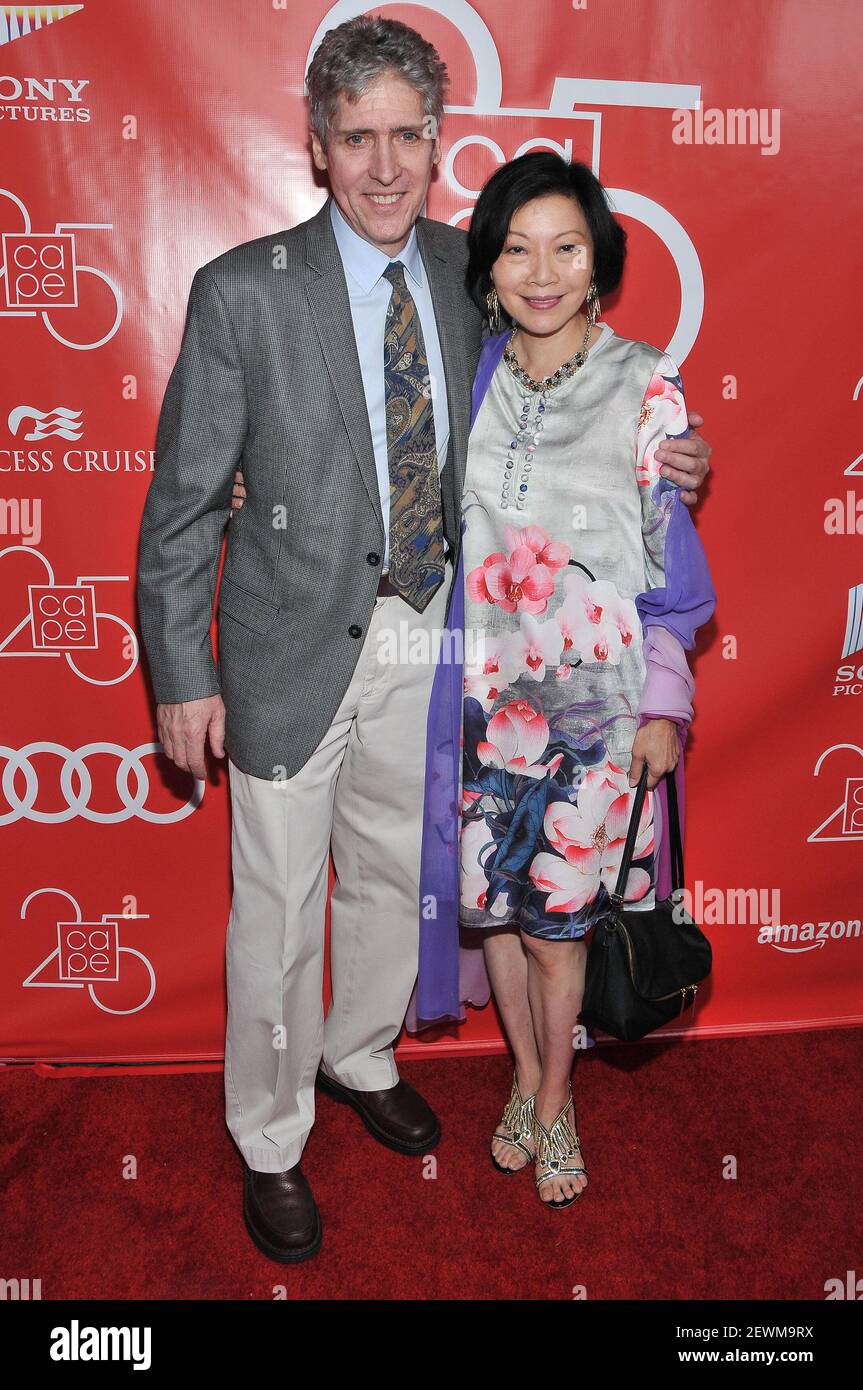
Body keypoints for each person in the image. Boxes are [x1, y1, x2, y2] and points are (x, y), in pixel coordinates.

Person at [142, 16, 711, 1264]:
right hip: (287, 650)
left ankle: (356, 1052)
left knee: (396, 882)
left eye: (409, 135)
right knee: (279, 907)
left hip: (433, 647)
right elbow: (183, 501)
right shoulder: (240, 289)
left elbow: (578, 415)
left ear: (439, 142)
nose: (385, 166)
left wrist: (671, 458)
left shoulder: (475, 275)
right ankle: (272, 1134)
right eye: (358, 139)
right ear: (316, 145)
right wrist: (180, 673)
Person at [414, 151, 716, 1209]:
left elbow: (671, 568)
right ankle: (531, 1076)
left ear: (597, 266)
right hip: (481, 702)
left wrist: (662, 704)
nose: (539, 271)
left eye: (566, 247)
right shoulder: (477, 369)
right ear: (488, 268)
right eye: (515, 249)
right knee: (496, 912)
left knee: (558, 932)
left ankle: (551, 1105)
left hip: (595, 711)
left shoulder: (645, 388)